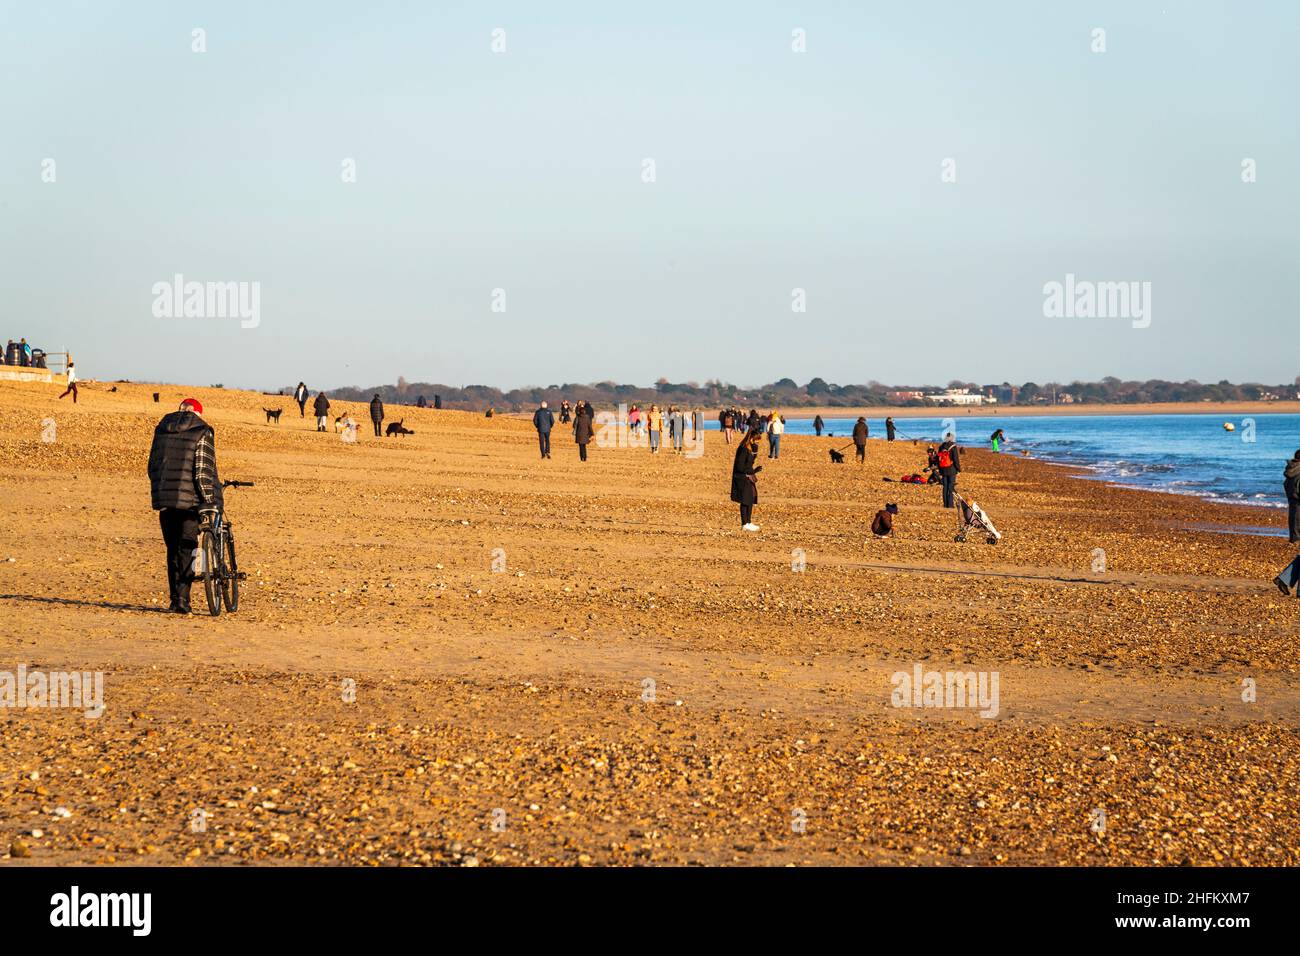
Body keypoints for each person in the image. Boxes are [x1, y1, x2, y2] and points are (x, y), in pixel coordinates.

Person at [147, 398, 222, 614]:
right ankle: (184, 600)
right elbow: (202, 472)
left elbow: (152, 465)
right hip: (190, 503)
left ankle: (177, 600)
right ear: (198, 413)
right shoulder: (202, 431)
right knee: (187, 548)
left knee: (173, 550)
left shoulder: (162, 429)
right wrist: (209, 501)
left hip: (165, 501)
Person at [730, 428, 763, 531]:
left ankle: (749, 522)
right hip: (742, 478)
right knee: (745, 500)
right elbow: (740, 466)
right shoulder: (743, 448)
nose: (757, 442)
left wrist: (755, 453)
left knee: (750, 499)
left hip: (748, 476)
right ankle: (744, 523)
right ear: (752, 438)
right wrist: (752, 471)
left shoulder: (749, 449)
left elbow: (749, 463)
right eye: (756, 440)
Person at [937, 434, 962, 508]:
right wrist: (958, 469)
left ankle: (945, 504)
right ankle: (950, 505)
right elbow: (955, 459)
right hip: (951, 470)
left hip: (943, 470)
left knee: (945, 487)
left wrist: (940, 470)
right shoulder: (953, 447)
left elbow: (938, 460)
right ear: (951, 438)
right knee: (950, 487)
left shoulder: (941, 447)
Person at [1286, 450, 1300, 544]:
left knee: (1294, 519)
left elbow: (1286, 484)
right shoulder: (1298, 469)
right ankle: (1296, 540)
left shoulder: (1291, 468)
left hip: (1292, 497)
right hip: (1297, 498)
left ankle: (1294, 539)